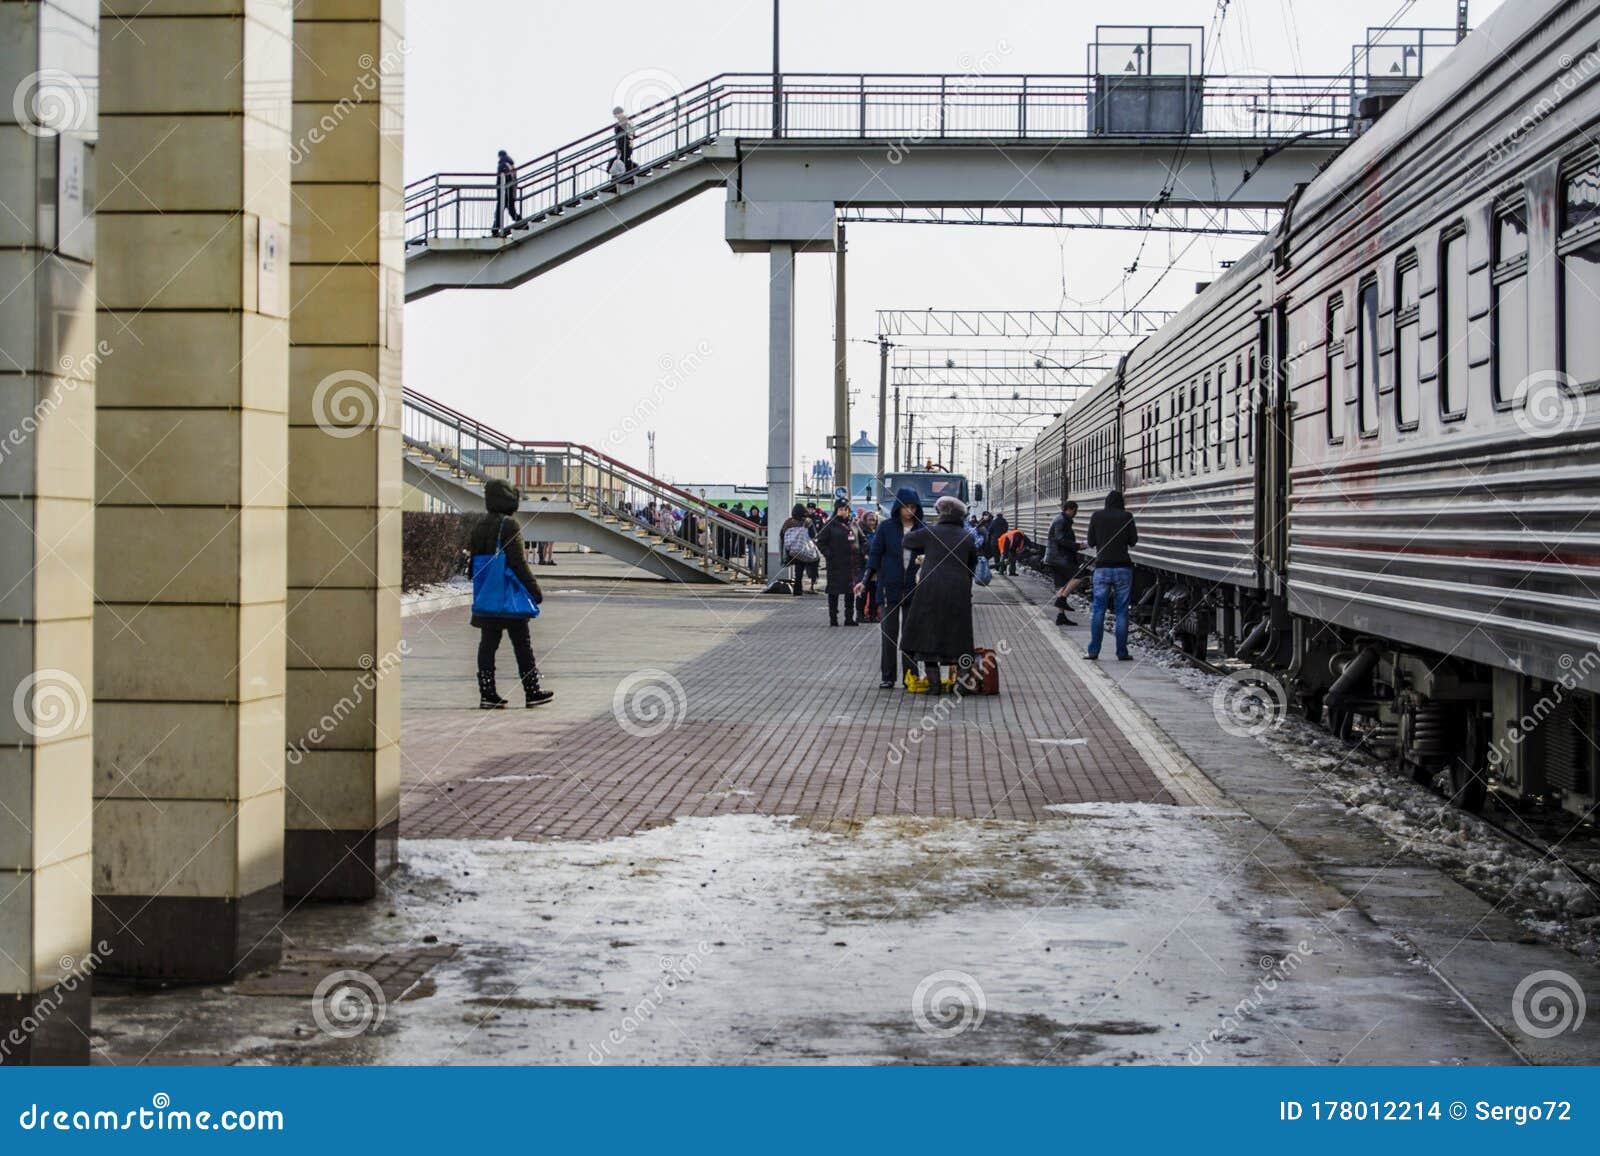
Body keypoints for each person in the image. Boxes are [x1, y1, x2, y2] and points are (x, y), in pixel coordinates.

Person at [469, 479, 553, 708]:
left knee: (488, 644)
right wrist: (534, 590)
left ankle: (487, 693)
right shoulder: (509, 525)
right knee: (522, 643)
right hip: (509, 596)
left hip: (488, 596)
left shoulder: (479, 524)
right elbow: (517, 563)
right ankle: (532, 691)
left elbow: (472, 564)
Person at [900, 495, 978, 697]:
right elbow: (972, 565)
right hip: (958, 592)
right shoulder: (967, 536)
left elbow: (907, 541)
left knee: (928, 637)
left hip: (930, 591)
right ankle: (961, 685)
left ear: (940, 514)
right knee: (961, 640)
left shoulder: (930, 532)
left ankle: (934, 686)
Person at [856, 488, 924, 689]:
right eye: (905, 507)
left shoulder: (922, 529)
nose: (909, 511)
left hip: (913, 589)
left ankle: (910, 676)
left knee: (910, 635)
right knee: (888, 634)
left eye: (912, 507)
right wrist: (865, 580)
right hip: (889, 589)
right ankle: (888, 676)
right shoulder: (886, 528)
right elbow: (875, 555)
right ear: (898, 507)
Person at [1084, 490, 1139, 662]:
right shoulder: (1127, 516)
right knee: (1122, 612)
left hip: (1102, 568)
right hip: (1123, 568)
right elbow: (1133, 541)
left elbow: (1091, 542)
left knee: (1099, 610)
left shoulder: (1096, 516)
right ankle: (1121, 652)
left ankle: (1093, 651)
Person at [816, 500, 860, 626]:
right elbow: (820, 542)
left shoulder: (854, 524)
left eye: (845, 509)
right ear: (836, 510)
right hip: (835, 565)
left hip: (850, 565)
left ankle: (849, 618)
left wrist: (863, 554)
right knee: (834, 592)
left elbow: (862, 540)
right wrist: (828, 554)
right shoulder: (830, 525)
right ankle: (833, 618)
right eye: (840, 509)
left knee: (850, 592)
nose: (843, 511)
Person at [1043, 499, 1081, 627]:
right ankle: (1062, 600)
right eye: (1075, 511)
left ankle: (1061, 616)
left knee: (1061, 586)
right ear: (1069, 509)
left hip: (1055, 557)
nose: (1075, 514)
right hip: (1059, 557)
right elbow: (1060, 539)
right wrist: (1077, 546)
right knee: (1078, 576)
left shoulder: (1061, 519)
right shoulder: (1061, 520)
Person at [779, 503, 814, 597]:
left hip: (790, 550)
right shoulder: (807, 522)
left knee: (797, 569)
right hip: (802, 549)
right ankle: (802, 588)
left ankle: (797, 590)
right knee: (800, 569)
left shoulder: (788, 522)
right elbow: (813, 535)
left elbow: (781, 535)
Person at [854, 510, 879, 623]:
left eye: (874, 520)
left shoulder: (879, 531)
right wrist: (863, 556)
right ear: (865, 520)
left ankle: (873, 614)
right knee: (863, 591)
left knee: (875, 592)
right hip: (863, 566)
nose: (872, 522)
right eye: (870, 520)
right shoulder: (861, 531)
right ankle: (860, 615)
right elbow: (856, 547)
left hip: (876, 566)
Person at [494, 149, 521, 235]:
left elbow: (501, 179)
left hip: (505, 193)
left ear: (499, 156)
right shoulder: (511, 165)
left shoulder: (502, 164)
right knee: (511, 210)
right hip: (511, 192)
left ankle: (495, 229)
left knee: (498, 212)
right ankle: (521, 222)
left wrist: (499, 192)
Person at [611, 107, 636, 175]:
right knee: (621, 160)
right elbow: (617, 137)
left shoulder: (626, 121)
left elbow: (632, 132)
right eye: (615, 115)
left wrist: (630, 141)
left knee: (623, 160)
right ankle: (631, 171)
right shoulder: (619, 123)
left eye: (617, 114)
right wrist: (617, 147)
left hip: (626, 144)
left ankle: (634, 170)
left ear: (621, 113)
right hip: (621, 145)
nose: (616, 116)